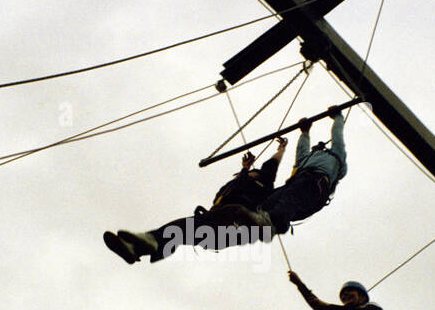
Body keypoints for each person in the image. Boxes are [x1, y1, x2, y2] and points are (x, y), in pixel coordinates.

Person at [103, 137, 288, 264]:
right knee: (177, 234)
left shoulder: (264, 183)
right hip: (215, 229)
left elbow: (272, 164)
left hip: (232, 224)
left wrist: (281, 149)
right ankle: (135, 249)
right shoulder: (238, 183)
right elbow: (241, 179)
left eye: (252, 173)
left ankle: (149, 241)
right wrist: (245, 168)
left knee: (179, 230)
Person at [258, 105, 346, 235]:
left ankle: (276, 219)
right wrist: (305, 132)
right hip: (298, 185)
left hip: (313, 183)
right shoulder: (305, 160)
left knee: (290, 198)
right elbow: (301, 150)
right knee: (268, 202)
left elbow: (337, 136)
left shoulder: (336, 156)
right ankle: (259, 222)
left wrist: (338, 117)